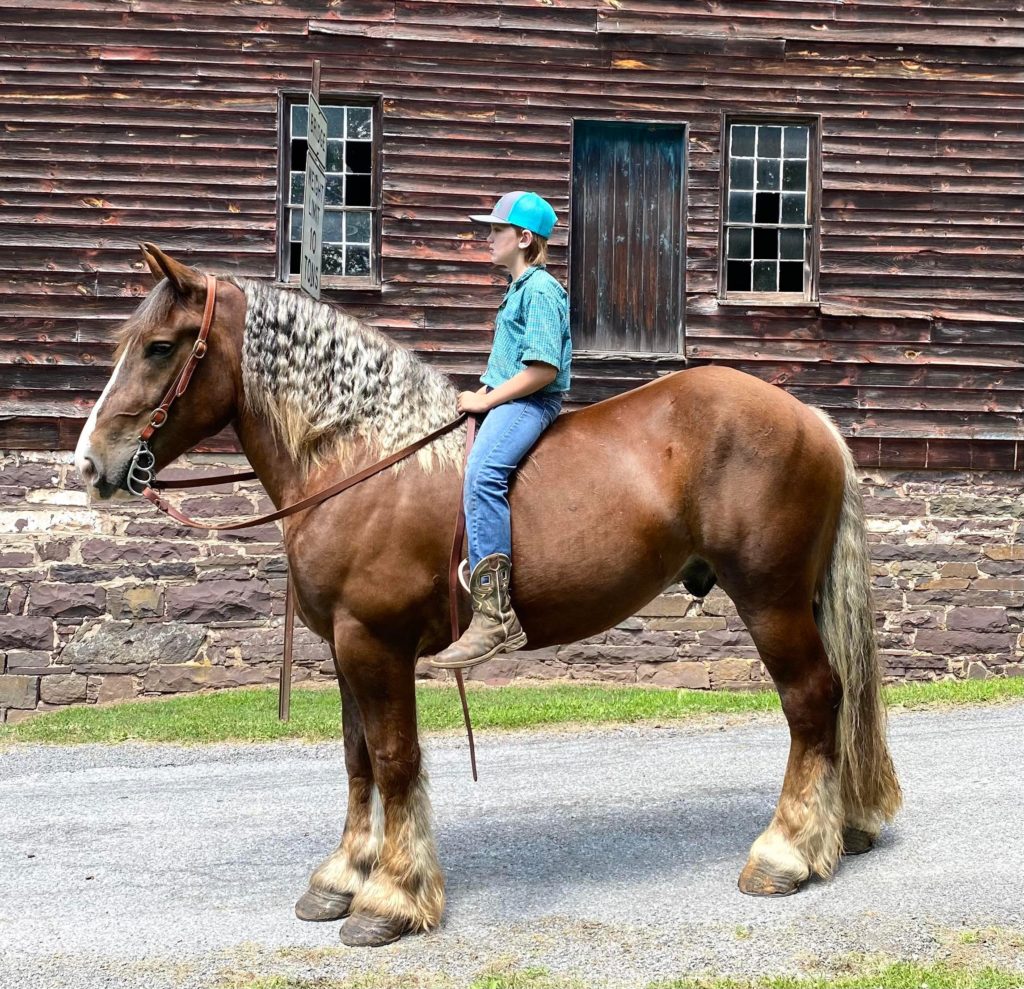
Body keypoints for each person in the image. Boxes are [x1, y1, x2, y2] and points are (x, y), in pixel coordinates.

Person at [427, 191, 571, 671]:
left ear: (524, 238)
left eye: (496, 230)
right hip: (511, 400)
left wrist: (487, 400)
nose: (488, 238)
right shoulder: (518, 290)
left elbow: (543, 368)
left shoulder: (542, 290)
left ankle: (493, 615)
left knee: (483, 472)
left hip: (531, 404)